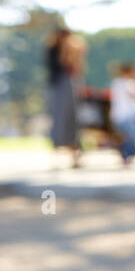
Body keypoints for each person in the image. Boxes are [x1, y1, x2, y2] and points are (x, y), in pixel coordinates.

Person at [45, 27, 83, 168]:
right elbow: (60, 64)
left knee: (71, 119)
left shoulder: (71, 50)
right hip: (59, 85)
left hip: (68, 84)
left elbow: (77, 69)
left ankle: (75, 154)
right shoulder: (54, 50)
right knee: (60, 118)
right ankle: (57, 153)